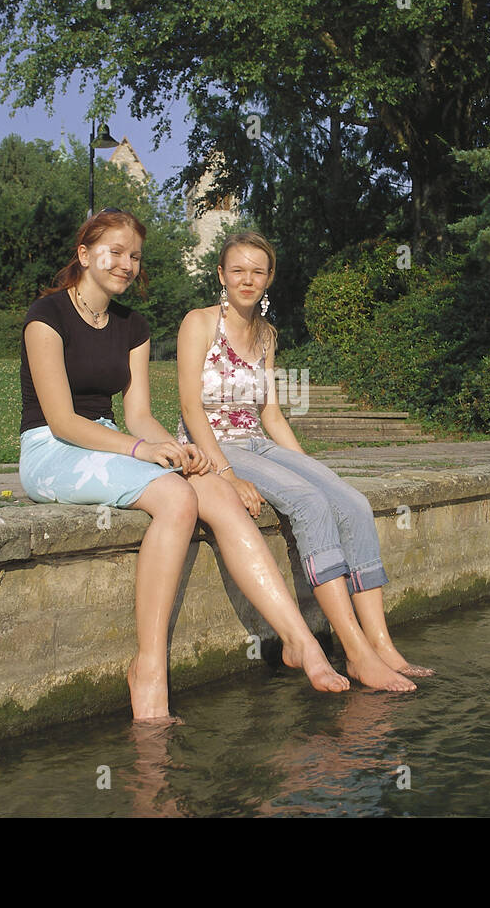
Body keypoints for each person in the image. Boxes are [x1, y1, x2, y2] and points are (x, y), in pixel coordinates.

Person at [19, 210, 350, 724]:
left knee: (214, 492)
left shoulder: (133, 325)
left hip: (110, 439)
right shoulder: (48, 316)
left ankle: (299, 641)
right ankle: (149, 667)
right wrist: (138, 450)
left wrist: (195, 459)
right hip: (52, 450)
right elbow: (62, 421)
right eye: (114, 252)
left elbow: (140, 416)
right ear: (84, 255)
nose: (126, 264)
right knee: (175, 498)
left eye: (134, 256)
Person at [176, 231, 432, 691]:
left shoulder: (266, 334)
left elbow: (269, 411)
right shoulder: (198, 323)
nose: (247, 279)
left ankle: (382, 644)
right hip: (215, 442)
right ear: (221, 274)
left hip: (257, 439)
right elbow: (191, 408)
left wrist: (306, 465)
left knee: (348, 500)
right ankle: (354, 653)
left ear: (270, 277)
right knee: (309, 502)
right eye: (238, 270)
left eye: (258, 271)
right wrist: (226, 474)